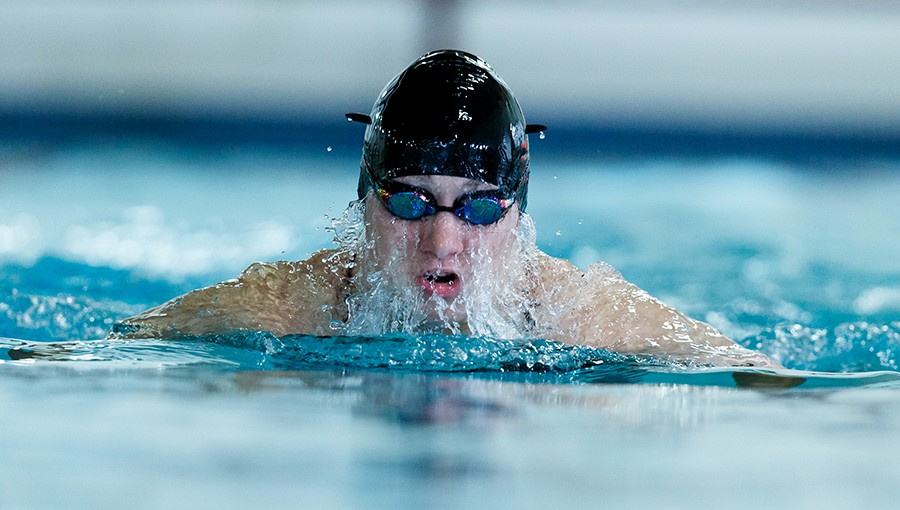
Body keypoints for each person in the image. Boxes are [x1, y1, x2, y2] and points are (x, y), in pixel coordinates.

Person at [111, 49, 778, 368]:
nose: (442, 240)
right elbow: (97, 352)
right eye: (409, 202)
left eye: (480, 211)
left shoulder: (580, 315)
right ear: (363, 208)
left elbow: (759, 375)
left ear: (519, 220)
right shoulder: (293, 305)